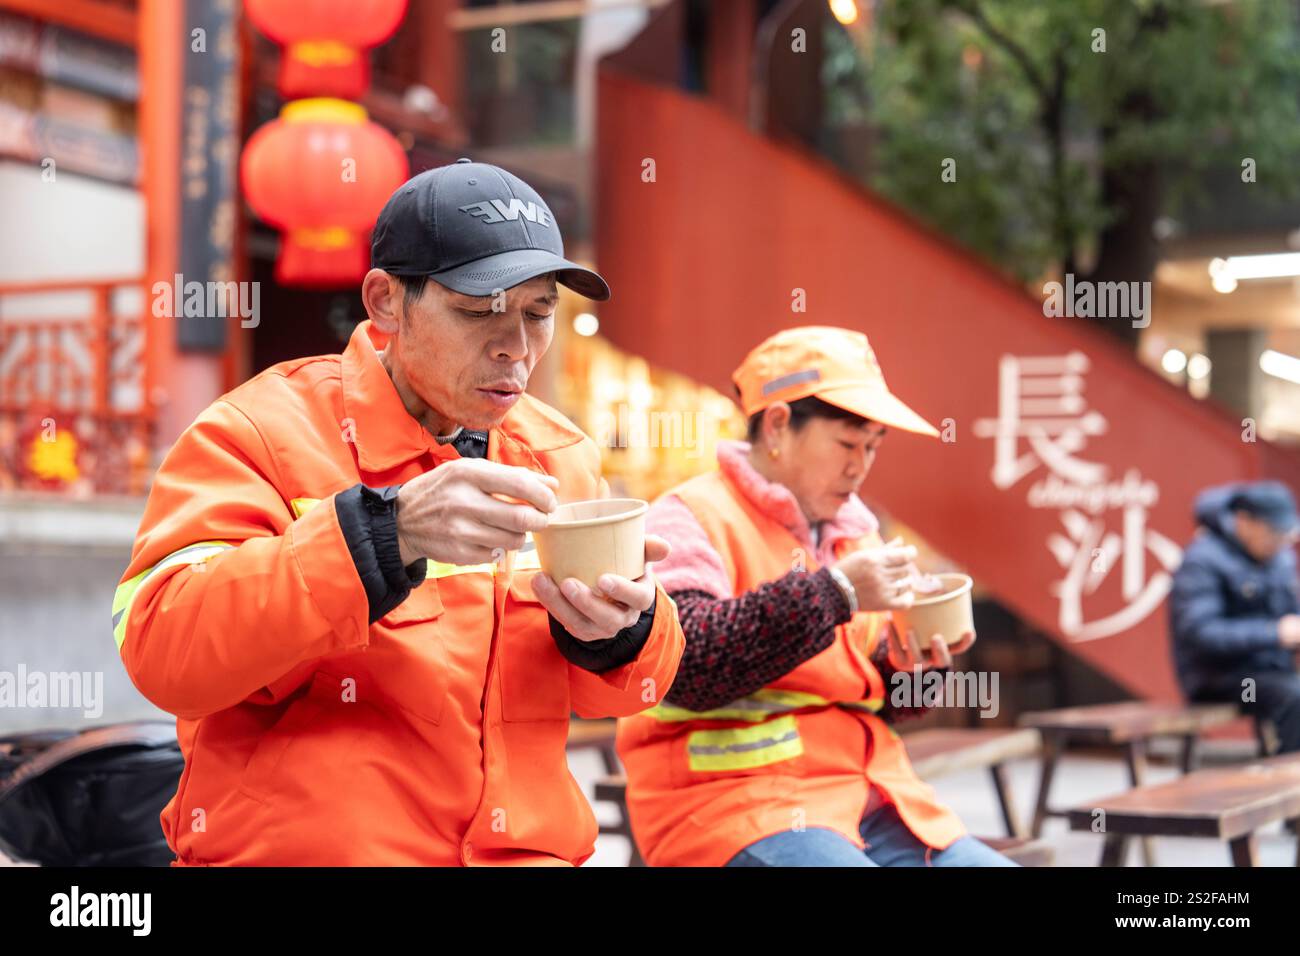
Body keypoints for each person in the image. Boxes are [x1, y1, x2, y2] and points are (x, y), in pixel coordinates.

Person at [112, 160, 684, 865]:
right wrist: (381, 535)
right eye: (480, 310)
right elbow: (165, 649)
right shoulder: (260, 431)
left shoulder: (558, 454)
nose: (517, 346)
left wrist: (624, 631)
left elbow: (623, 696)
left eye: (539, 313)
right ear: (385, 301)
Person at [615, 326, 1014, 867]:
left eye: (872, 446)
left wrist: (914, 667)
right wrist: (839, 591)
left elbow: (866, 690)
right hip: (731, 807)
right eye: (848, 443)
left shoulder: (856, 533)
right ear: (778, 424)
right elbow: (689, 667)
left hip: (874, 797)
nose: (861, 465)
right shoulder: (688, 518)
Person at [1169, 481, 1300, 752]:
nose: (1281, 541)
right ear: (1244, 521)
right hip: (1220, 679)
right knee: (1294, 696)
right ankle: (1289, 784)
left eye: (1287, 533)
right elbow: (1200, 633)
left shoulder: (1280, 558)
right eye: (1275, 532)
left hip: (1273, 671)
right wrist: (1273, 632)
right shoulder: (1202, 560)